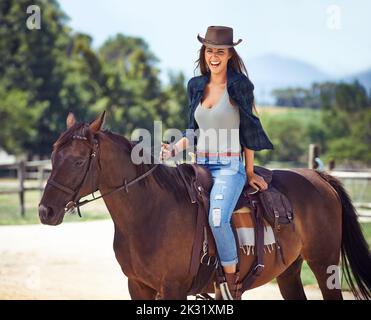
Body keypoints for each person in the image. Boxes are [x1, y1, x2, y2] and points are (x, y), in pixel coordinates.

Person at [160, 26, 274, 299]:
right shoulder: (195, 85)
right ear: (204, 53)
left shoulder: (239, 86)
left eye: (220, 51)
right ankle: (196, 272)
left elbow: (248, 130)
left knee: (217, 218)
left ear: (229, 54)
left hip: (228, 167)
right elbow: (192, 131)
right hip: (198, 165)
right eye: (210, 50)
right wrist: (172, 149)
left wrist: (247, 172)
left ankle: (230, 282)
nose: (214, 56)